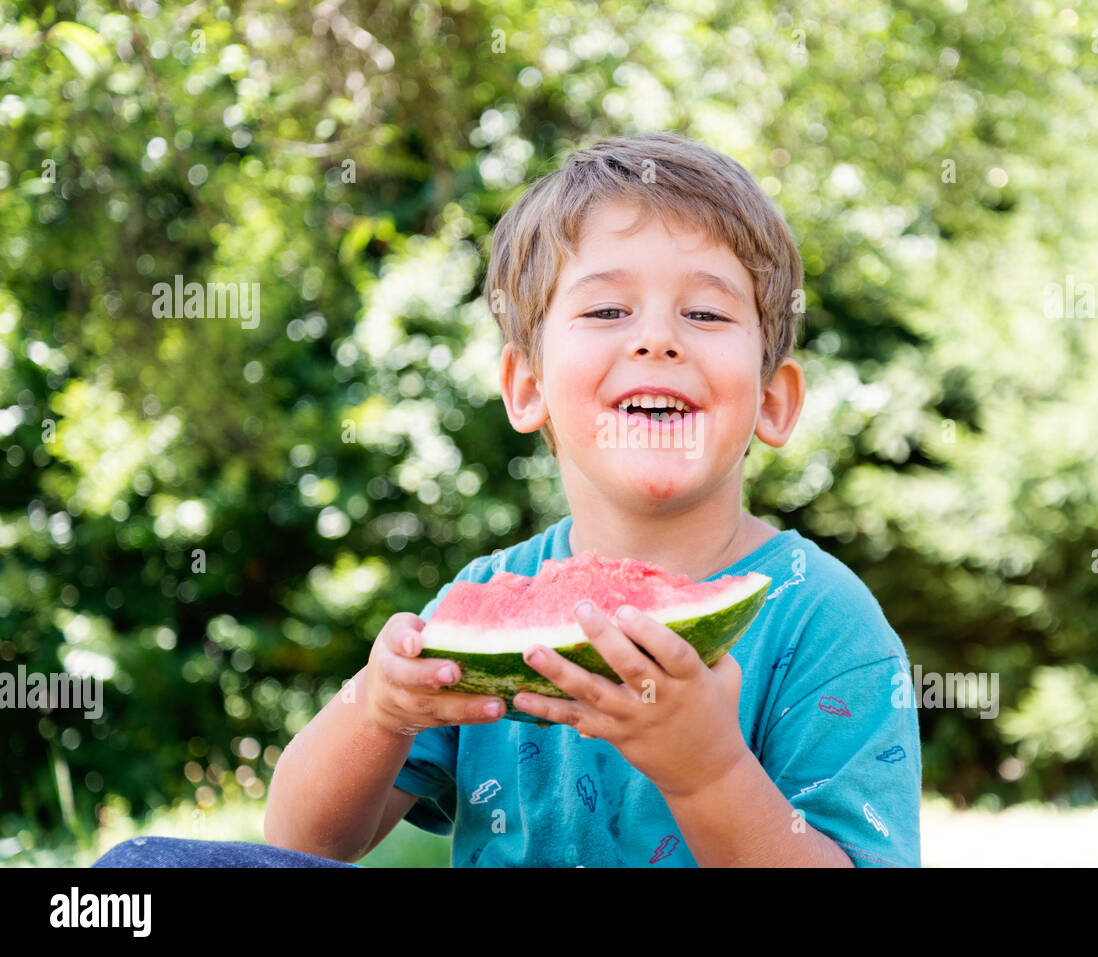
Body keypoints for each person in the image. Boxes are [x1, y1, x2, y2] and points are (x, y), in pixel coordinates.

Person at [95, 131, 920, 868]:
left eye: (705, 312)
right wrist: (378, 708)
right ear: (527, 388)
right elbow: (306, 841)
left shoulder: (825, 619)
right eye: (606, 308)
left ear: (774, 401)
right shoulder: (484, 597)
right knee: (143, 874)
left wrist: (708, 769)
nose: (657, 338)